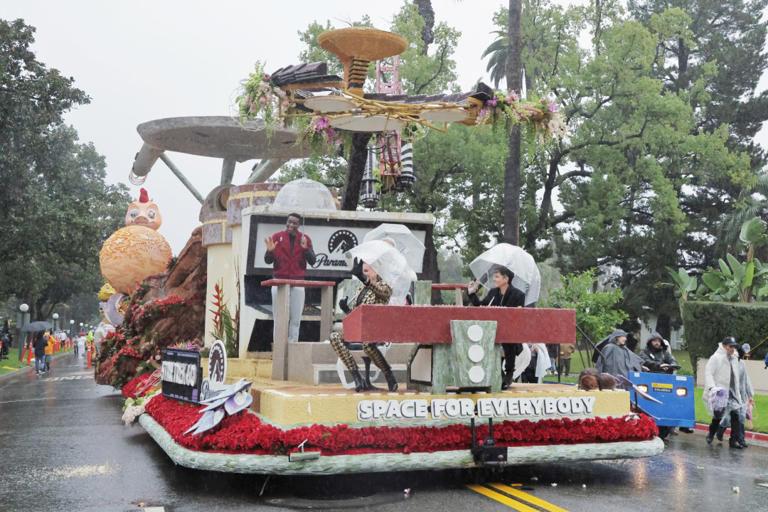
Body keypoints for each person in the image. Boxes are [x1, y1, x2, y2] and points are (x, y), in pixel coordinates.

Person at [330, 257, 397, 392]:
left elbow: (382, 294)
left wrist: (365, 280)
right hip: (360, 328)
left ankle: (388, 374)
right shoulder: (361, 288)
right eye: (364, 270)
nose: (366, 272)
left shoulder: (385, 286)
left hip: (376, 329)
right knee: (334, 337)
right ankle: (357, 376)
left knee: (368, 343)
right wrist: (346, 310)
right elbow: (356, 314)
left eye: (369, 269)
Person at [467, 267, 526, 389]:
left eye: (497, 276)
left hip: (510, 331)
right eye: (494, 276)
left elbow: (518, 315)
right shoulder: (493, 292)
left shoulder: (518, 294)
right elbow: (480, 306)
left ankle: (509, 374)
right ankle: (500, 375)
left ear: (506, 279)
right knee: (486, 345)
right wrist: (472, 293)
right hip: (493, 331)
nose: (494, 279)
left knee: (509, 343)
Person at [264, 213, 316, 343]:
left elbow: (313, 261)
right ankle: (278, 347)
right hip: (279, 282)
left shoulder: (305, 239)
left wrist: (306, 249)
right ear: (286, 222)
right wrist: (270, 251)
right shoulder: (277, 237)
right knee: (279, 318)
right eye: (289, 222)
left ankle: (292, 345)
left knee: (295, 319)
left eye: (295, 223)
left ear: (299, 225)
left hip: (297, 282)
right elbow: (267, 260)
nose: (291, 225)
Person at [703, 336, 743, 447]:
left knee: (736, 415)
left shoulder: (735, 358)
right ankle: (711, 433)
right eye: (731, 346)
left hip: (732, 392)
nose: (733, 349)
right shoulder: (716, 358)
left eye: (734, 347)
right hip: (719, 392)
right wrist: (712, 388)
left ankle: (733, 441)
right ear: (724, 346)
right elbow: (708, 372)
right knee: (718, 417)